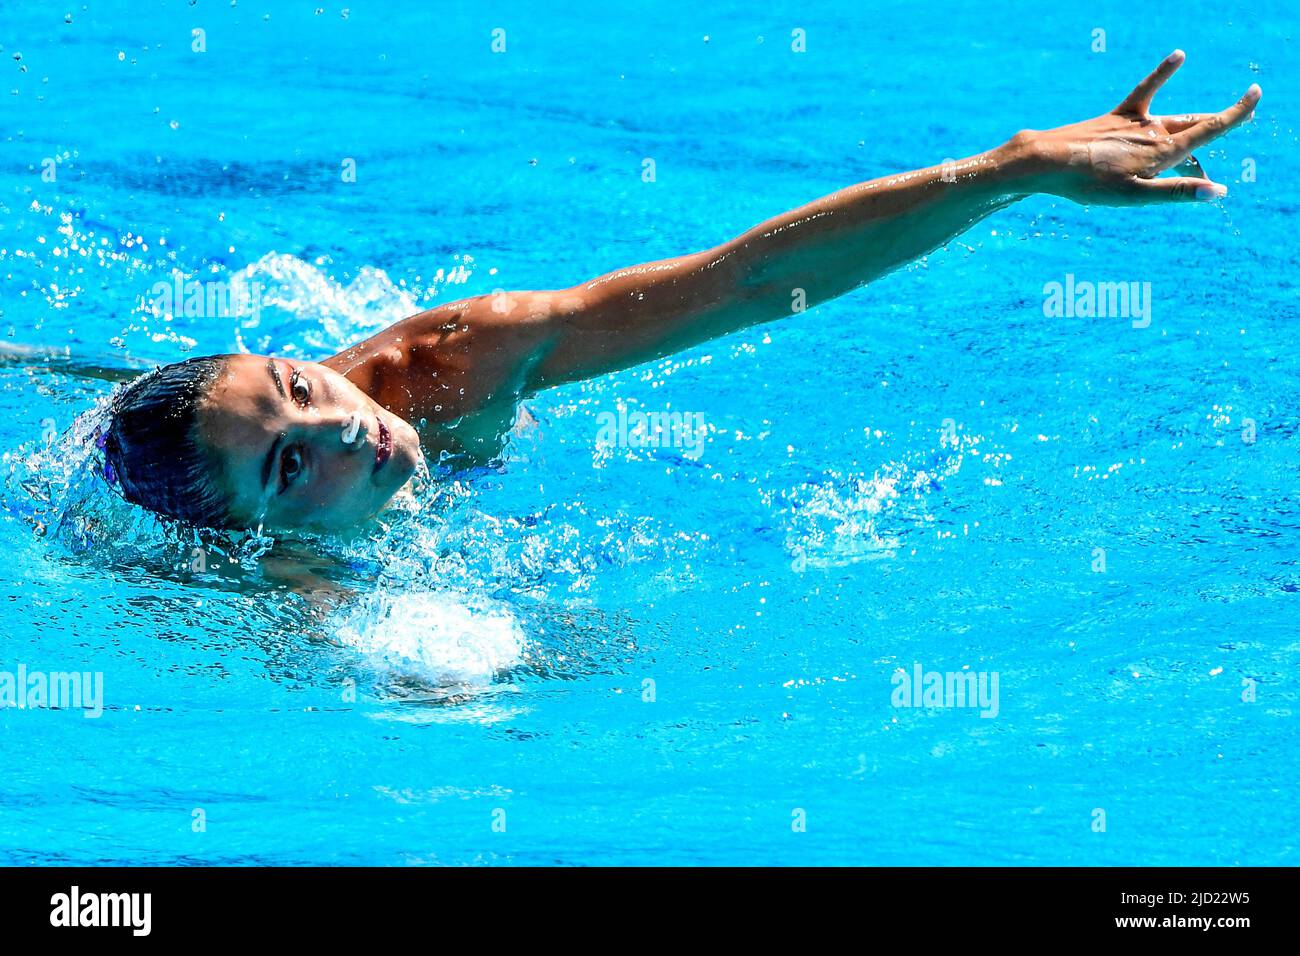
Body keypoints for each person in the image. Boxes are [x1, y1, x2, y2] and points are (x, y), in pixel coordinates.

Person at [98, 51, 1259, 534]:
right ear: (245, 535)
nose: (343, 420)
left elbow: (744, 282)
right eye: (293, 461)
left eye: (301, 384)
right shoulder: (228, 583)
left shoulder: (451, 367)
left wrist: (1018, 169)